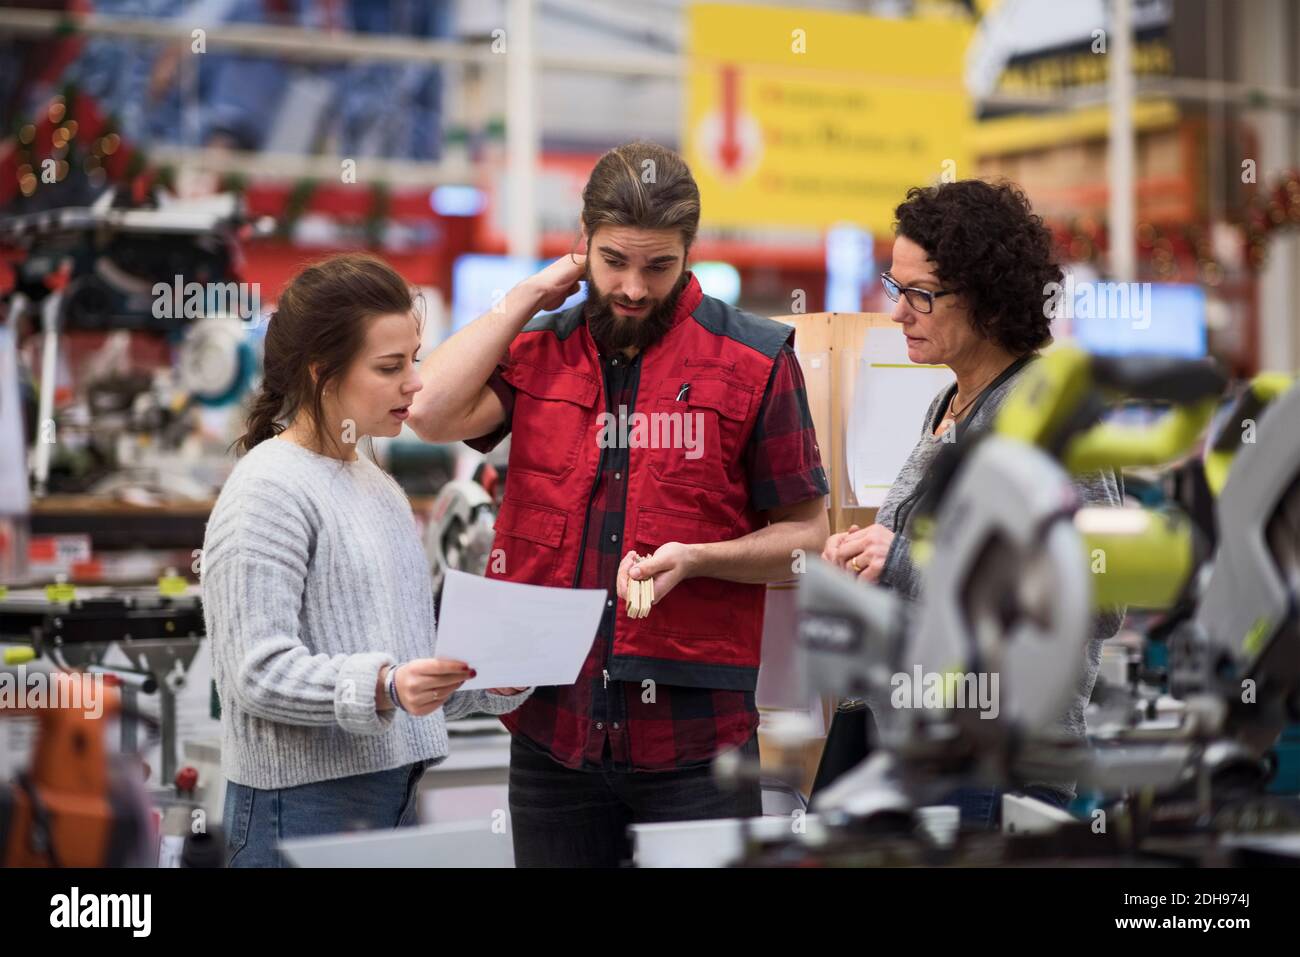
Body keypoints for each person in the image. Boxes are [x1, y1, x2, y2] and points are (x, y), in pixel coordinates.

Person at [410, 142, 830, 867]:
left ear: (689, 251)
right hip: (553, 738)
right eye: (613, 261)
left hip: (696, 746)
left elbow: (808, 534)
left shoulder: (755, 359)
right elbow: (428, 411)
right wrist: (526, 298)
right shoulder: (540, 350)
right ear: (583, 242)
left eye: (658, 265)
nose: (633, 287)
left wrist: (700, 559)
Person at [203, 253, 531, 868]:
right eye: (390, 367)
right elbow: (256, 671)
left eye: (414, 359)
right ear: (321, 373)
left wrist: (487, 679)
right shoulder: (268, 488)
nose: (415, 382)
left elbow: (406, 671)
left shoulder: (378, 487)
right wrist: (383, 686)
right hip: (296, 810)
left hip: (392, 797)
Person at [822, 179, 1124, 828]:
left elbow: (1096, 599)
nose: (899, 311)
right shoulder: (946, 405)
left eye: (921, 295)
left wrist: (903, 559)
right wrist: (864, 565)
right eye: (895, 286)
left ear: (988, 298)